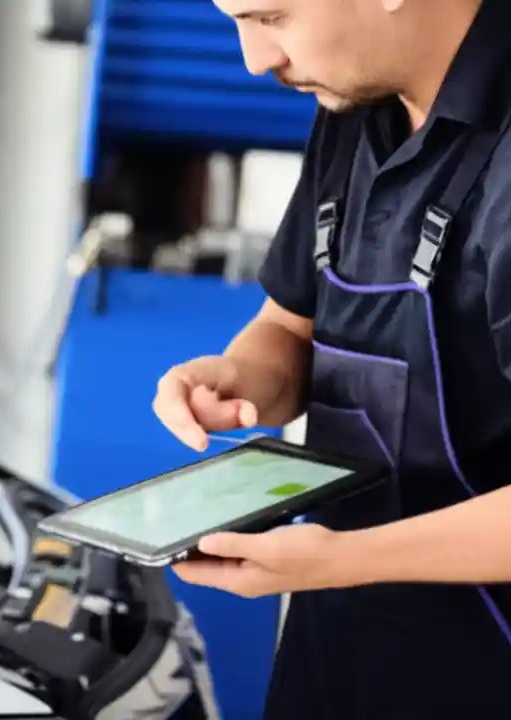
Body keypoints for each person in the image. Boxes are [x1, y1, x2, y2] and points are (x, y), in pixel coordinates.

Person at [150, 0, 511, 717]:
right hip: (338, 647)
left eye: (271, 17)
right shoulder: (356, 105)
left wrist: (345, 559)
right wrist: (246, 377)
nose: (254, 58)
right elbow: (288, 324)